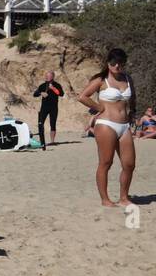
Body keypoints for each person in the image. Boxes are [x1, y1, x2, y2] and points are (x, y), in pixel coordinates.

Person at [78, 47, 136, 208]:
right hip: (106, 124)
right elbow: (82, 96)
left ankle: (124, 197)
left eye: (120, 63)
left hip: (124, 125)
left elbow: (133, 98)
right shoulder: (101, 80)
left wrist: (134, 113)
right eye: (113, 62)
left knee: (129, 164)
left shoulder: (128, 79)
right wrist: (99, 108)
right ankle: (105, 199)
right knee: (106, 162)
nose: (117, 66)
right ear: (108, 63)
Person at [31, 71, 65, 148]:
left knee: (53, 124)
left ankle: (52, 141)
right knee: (40, 123)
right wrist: (41, 93)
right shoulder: (42, 85)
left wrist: (53, 88)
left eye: (48, 76)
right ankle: (42, 141)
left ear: (52, 77)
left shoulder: (57, 85)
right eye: (46, 76)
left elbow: (61, 94)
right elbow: (35, 94)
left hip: (53, 107)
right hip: (44, 107)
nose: (47, 77)